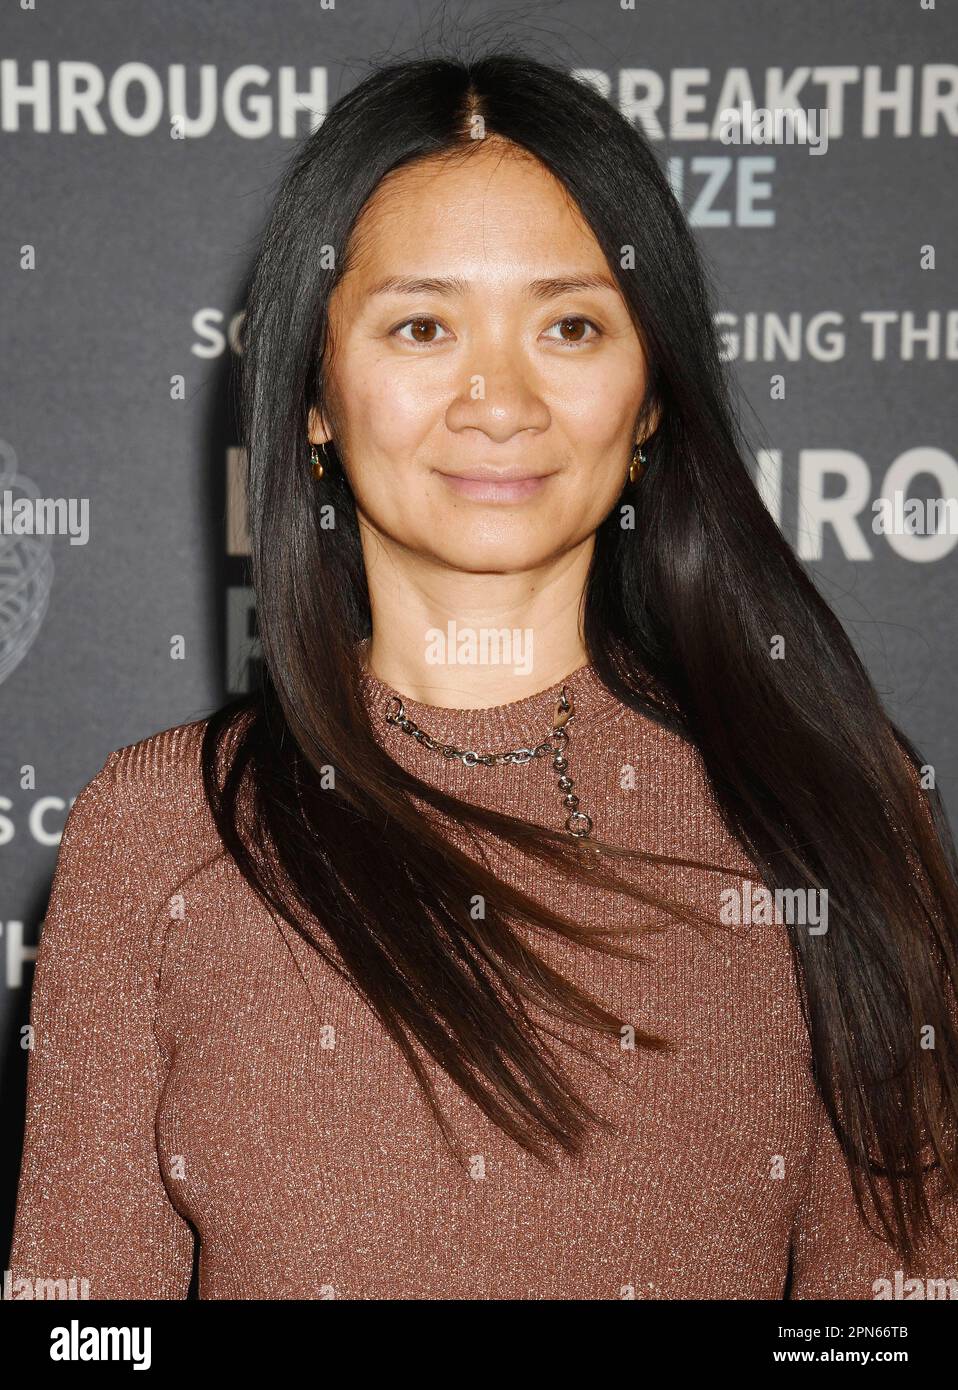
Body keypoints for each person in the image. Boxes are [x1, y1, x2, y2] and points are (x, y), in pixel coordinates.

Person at [8, 50, 958, 1301]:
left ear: (653, 392)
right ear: (311, 397)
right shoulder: (157, 832)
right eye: (422, 324)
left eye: (568, 324)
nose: (498, 399)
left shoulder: (831, 800)